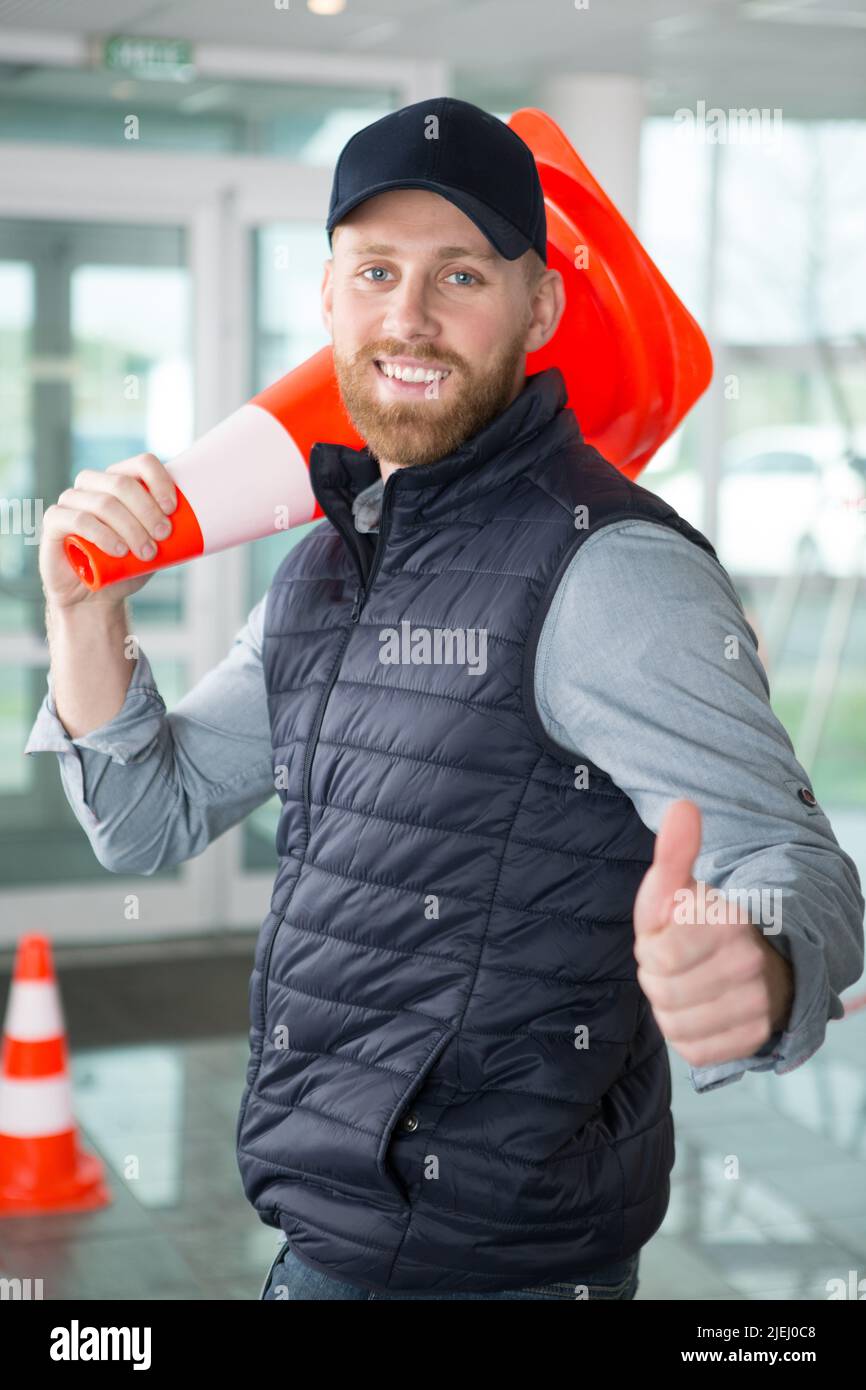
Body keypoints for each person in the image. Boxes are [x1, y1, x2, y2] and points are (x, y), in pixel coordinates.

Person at [26, 97, 864, 1302]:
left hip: (500, 1268)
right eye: (375, 271)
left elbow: (790, 853)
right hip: (324, 1241)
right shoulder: (328, 561)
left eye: (459, 274)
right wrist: (85, 612)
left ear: (540, 308)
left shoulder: (609, 566)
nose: (407, 316)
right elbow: (147, 820)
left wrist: (765, 964)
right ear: (327, 303)